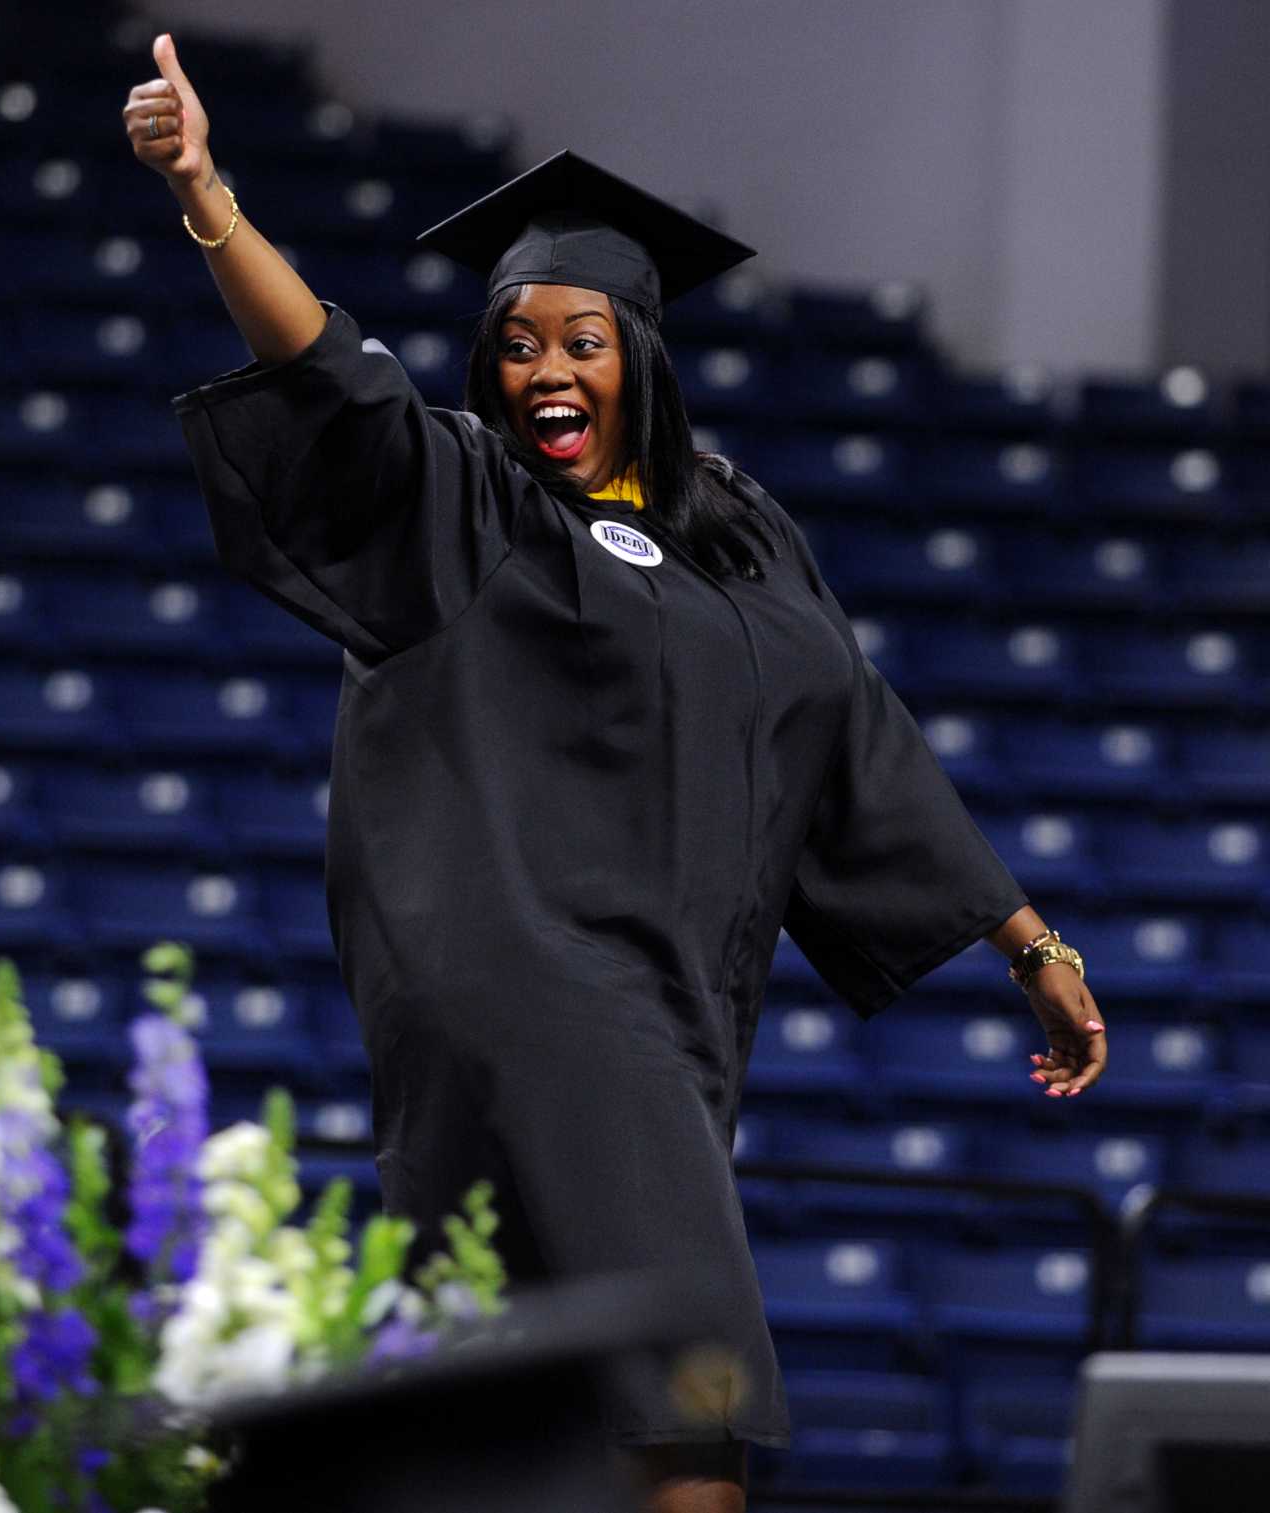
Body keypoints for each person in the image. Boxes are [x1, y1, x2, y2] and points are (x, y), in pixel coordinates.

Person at [123, 33, 1108, 1513]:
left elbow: (856, 726)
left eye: (580, 338)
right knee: (692, 1379)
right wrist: (209, 195)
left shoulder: (743, 534)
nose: (545, 372)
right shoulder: (471, 503)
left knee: (539, 1410)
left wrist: (1029, 941)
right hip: (535, 991)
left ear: (638, 352)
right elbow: (329, 371)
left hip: (666, 1008)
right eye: (518, 342)